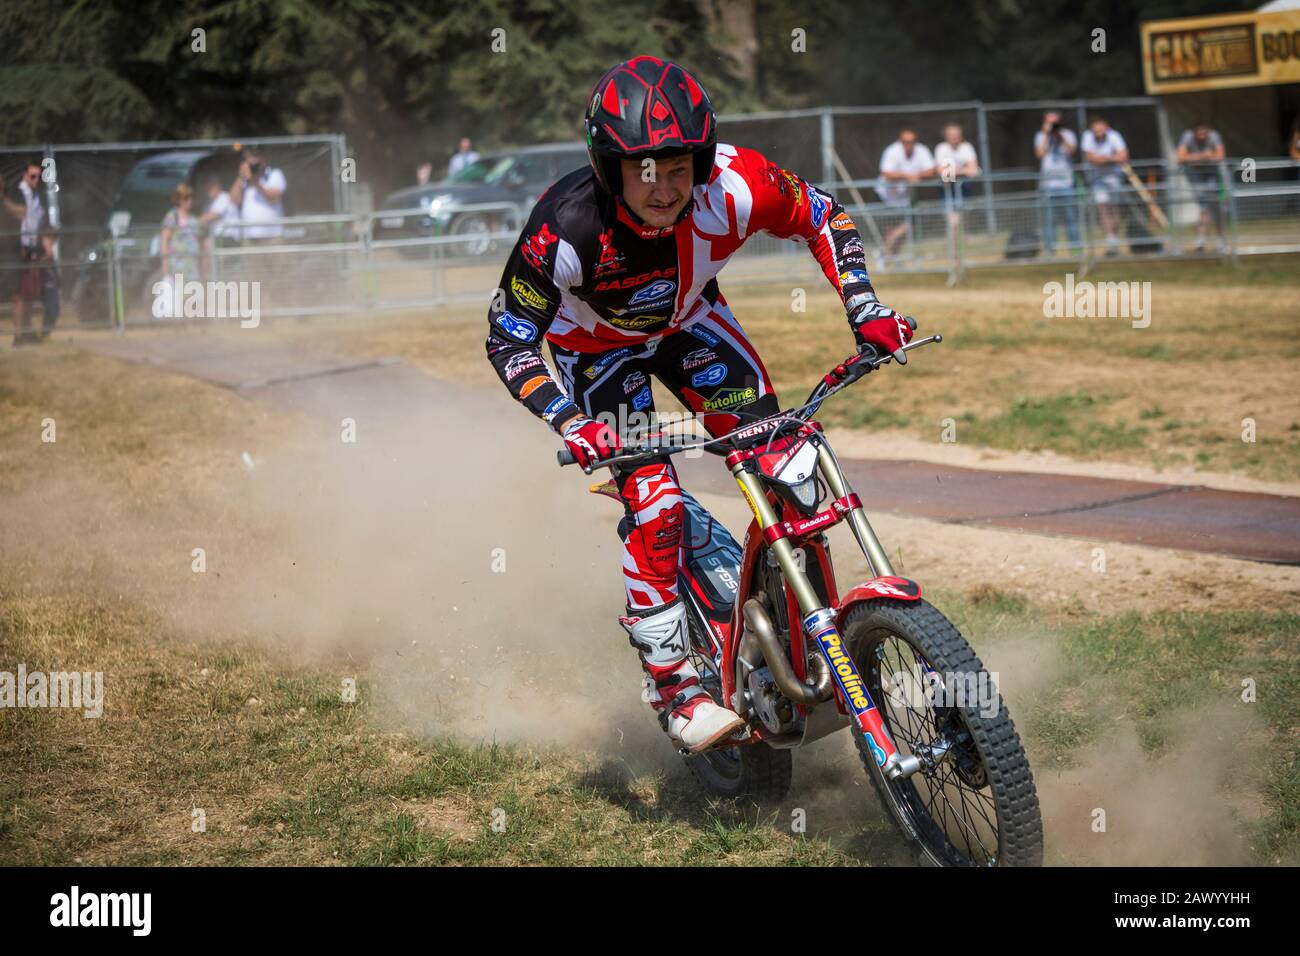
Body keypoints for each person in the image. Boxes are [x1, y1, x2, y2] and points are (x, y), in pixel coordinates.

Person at [484, 57, 914, 754]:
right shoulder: (561, 230)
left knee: (790, 463)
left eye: (679, 167)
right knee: (653, 501)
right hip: (594, 353)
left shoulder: (737, 182)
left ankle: (801, 642)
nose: (665, 187)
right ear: (608, 167)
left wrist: (865, 309)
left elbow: (822, 215)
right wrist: (572, 422)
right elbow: (508, 339)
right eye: (645, 169)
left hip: (690, 327)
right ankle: (676, 690)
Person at [2, 160, 46, 346]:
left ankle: (27, 331)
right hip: (13, 249)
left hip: (30, 249)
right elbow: (20, 213)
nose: (36, 180)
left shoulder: (37, 195)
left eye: (39, 177)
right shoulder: (16, 192)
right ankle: (18, 335)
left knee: (29, 293)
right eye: (33, 176)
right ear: (24, 176)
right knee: (18, 294)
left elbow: (38, 221)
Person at [876, 127, 936, 260]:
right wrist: (907, 176)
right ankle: (889, 257)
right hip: (887, 196)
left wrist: (917, 175)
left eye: (912, 141)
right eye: (905, 141)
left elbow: (931, 170)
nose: (909, 144)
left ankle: (888, 255)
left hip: (906, 198)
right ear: (900, 141)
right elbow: (886, 173)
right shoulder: (892, 151)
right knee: (889, 229)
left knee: (907, 227)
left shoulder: (922, 150)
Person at [1081, 115, 1129, 256]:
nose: (1099, 135)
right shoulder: (1087, 136)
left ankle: (1114, 238)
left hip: (1114, 177)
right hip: (1097, 179)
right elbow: (1091, 158)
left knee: (1115, 209)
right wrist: (1112, 158)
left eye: (1101, 131)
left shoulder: (1114, 136)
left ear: (1106, 128)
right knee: (1103, 208)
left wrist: (1103, 159)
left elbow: (1123, 156)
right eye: (1096, 132)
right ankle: (1111, 241)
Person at [1034, 110, 1080, 256]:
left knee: (1071, 218)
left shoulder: (1068, 134)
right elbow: (1039, 154)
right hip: (1047, 185)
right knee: (1049, 220)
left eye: (1055, 123)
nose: (1052, 125)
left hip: (1066, 183)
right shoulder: (1040, 136)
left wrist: (1060, 136)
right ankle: (1050, 251)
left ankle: (1076, 250)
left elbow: (1072, 151)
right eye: (1050, 122)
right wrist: (1047, 136)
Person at [1175, 121, 1226, 252]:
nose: (1202, 136)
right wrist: (1203, 156)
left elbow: (1220, 155)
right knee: (1204, 207)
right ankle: (1201, 240)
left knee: (1217, 207)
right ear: (1194, 133)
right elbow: (1180, 157)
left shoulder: (1214, 136)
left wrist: (1192, 158)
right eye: (1199, 133)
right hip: (1197, 176)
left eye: (1204, 133)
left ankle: (1220, 240)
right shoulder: (1187, 136)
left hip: (1213, 175)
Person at [933, 122, 980, 243]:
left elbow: (974, 170)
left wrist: (952, 171)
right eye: (951, 135)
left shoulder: (966, 147)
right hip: (947, 191)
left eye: (957, 135)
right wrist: (963, 169)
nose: (954, 137)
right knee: (953, 224)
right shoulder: (941, 148)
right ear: (946, 136)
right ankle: (954, 256)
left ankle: (961, 254)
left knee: (963, 224)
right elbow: (942, 172)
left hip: (964, 189)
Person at [160, 183, 202, 282]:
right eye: (186, 198)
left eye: (191, 197)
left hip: (192, 269)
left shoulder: (194, 219)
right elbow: (164, 241)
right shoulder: (172, 216)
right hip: (176, 268)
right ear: (178, 199)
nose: (190, 201)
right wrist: (165, 265)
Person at [38, 226, 60, 339]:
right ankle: (44, 334)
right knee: (52, 309)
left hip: (52, 283)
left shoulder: (49, 248)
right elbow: (39, 262)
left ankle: (46, 333)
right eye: (51, 237)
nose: (53, 240)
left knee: (54, 310)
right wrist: (47, 253)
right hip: (46, 283)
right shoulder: (42, 247)